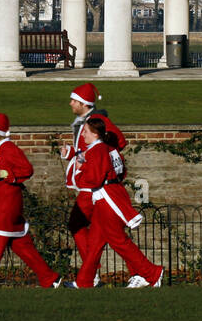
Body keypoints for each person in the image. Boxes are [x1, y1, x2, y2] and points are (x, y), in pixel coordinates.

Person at [69, 118, 164, 289]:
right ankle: (85, 281)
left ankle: (152, 272)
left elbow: (93, 180)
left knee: (118, 241)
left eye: (86, 132)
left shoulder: (96, 151)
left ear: (95, 133)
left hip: (107, 200)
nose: (82, 135)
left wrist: (79, 170)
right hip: (107, 197)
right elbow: (118, 172)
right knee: (96, 243)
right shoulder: (106, 150)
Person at [0, 113, 60, 289]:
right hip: (0, 202)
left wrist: (5, 174)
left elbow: (27, 170)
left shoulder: (9, 148)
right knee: (21, 245)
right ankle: (50, 278)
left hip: (7, 204)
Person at [59, 83, 126, 272]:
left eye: (74, 100)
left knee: (78, 225)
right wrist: (71, 153)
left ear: (83, 103)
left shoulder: (96, 119)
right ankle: (90, 273)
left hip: (93, 185)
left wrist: (98, 157)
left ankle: (91, 272)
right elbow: (86, 149)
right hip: (89, 183)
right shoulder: (84, 122)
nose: (70, 103)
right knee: (106, 234)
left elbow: (119, 140)